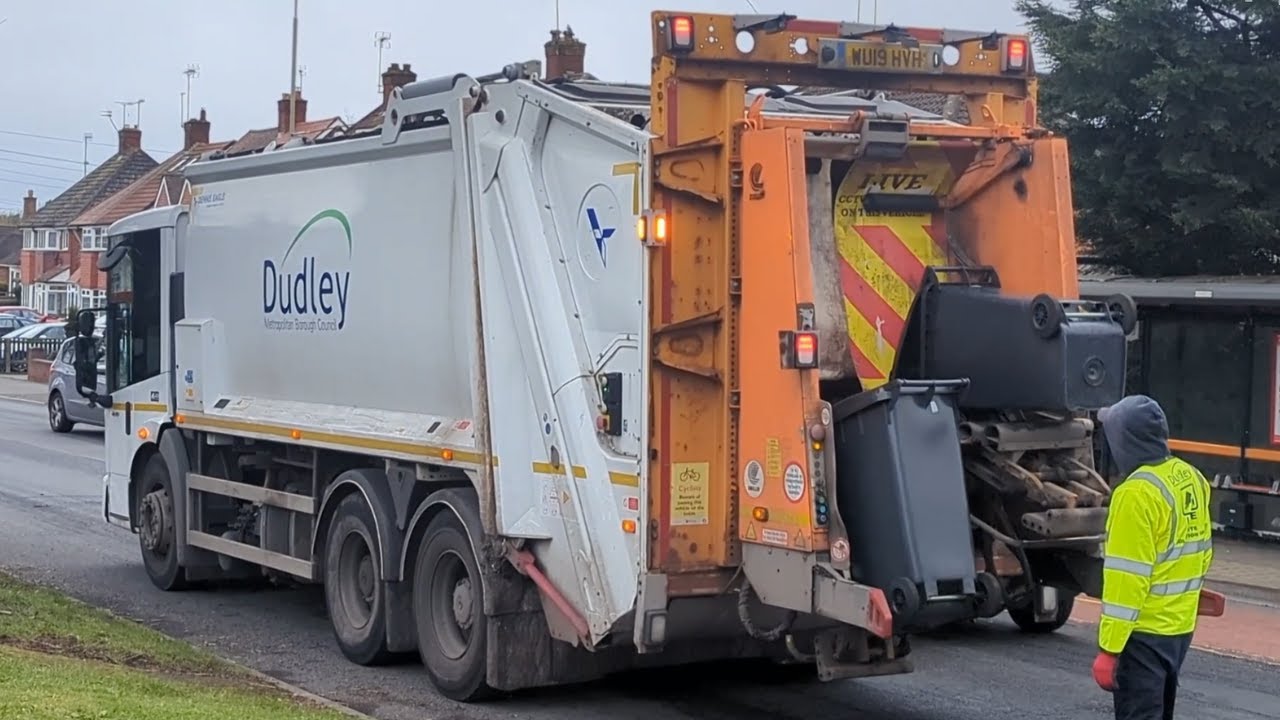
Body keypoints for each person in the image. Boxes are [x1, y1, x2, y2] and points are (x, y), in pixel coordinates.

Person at [1092, 394, 1214, 720]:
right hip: (1178, 630)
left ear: (1124, 441)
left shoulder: (1135, 494)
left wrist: (1109, 649)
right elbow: (1202, 553)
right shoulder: (1191, 477)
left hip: (1143, 636)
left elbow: (1126, 582)